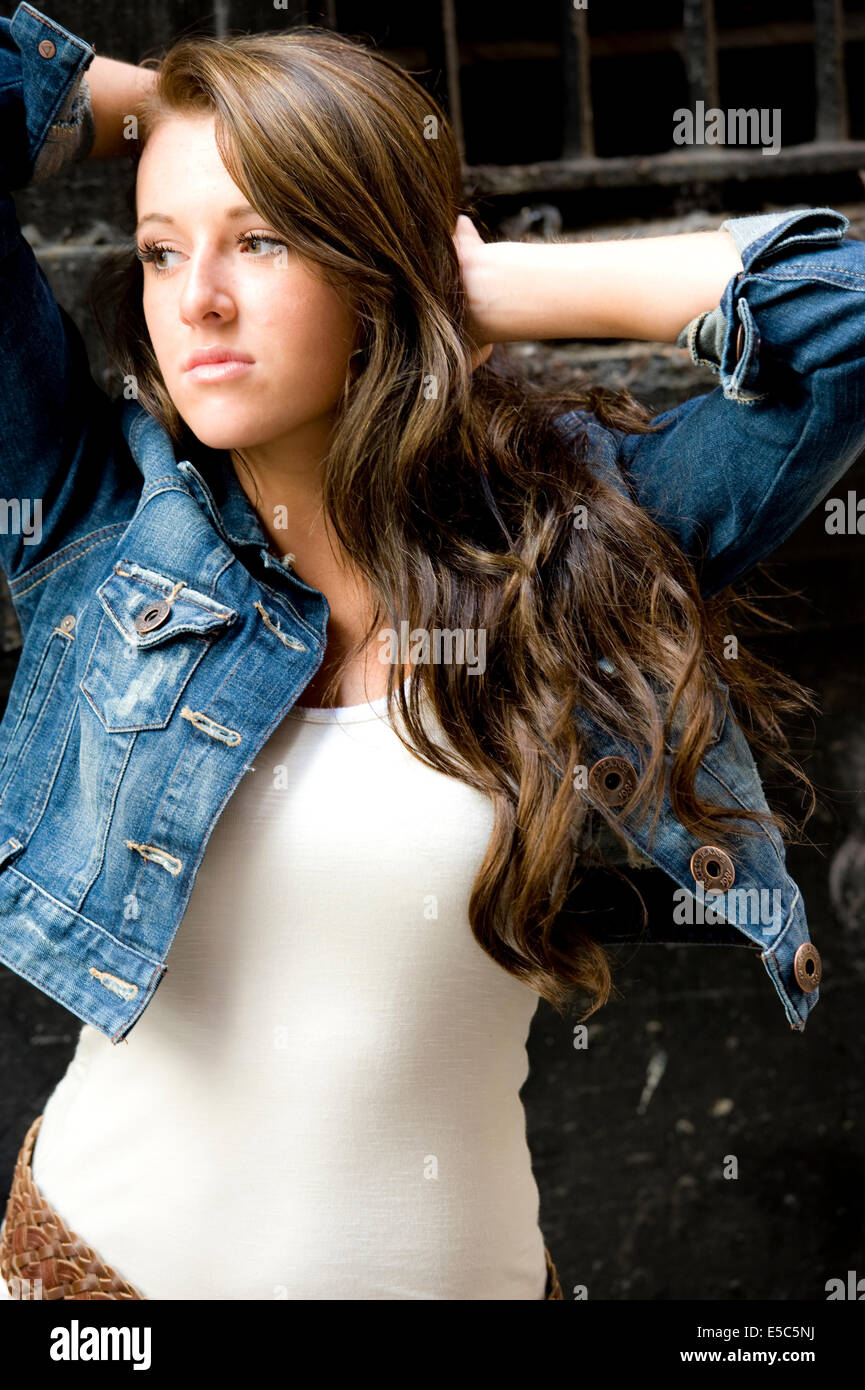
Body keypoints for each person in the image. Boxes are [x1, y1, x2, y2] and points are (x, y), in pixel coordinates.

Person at [0, 2, 862, 1300]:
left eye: (264, 236)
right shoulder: (90, 515)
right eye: (165, 249)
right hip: (93, 1292)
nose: (201, 299)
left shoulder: (576, 541)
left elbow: (842, 326)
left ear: (380, 266)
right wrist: (162, 100)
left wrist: (502, 286)